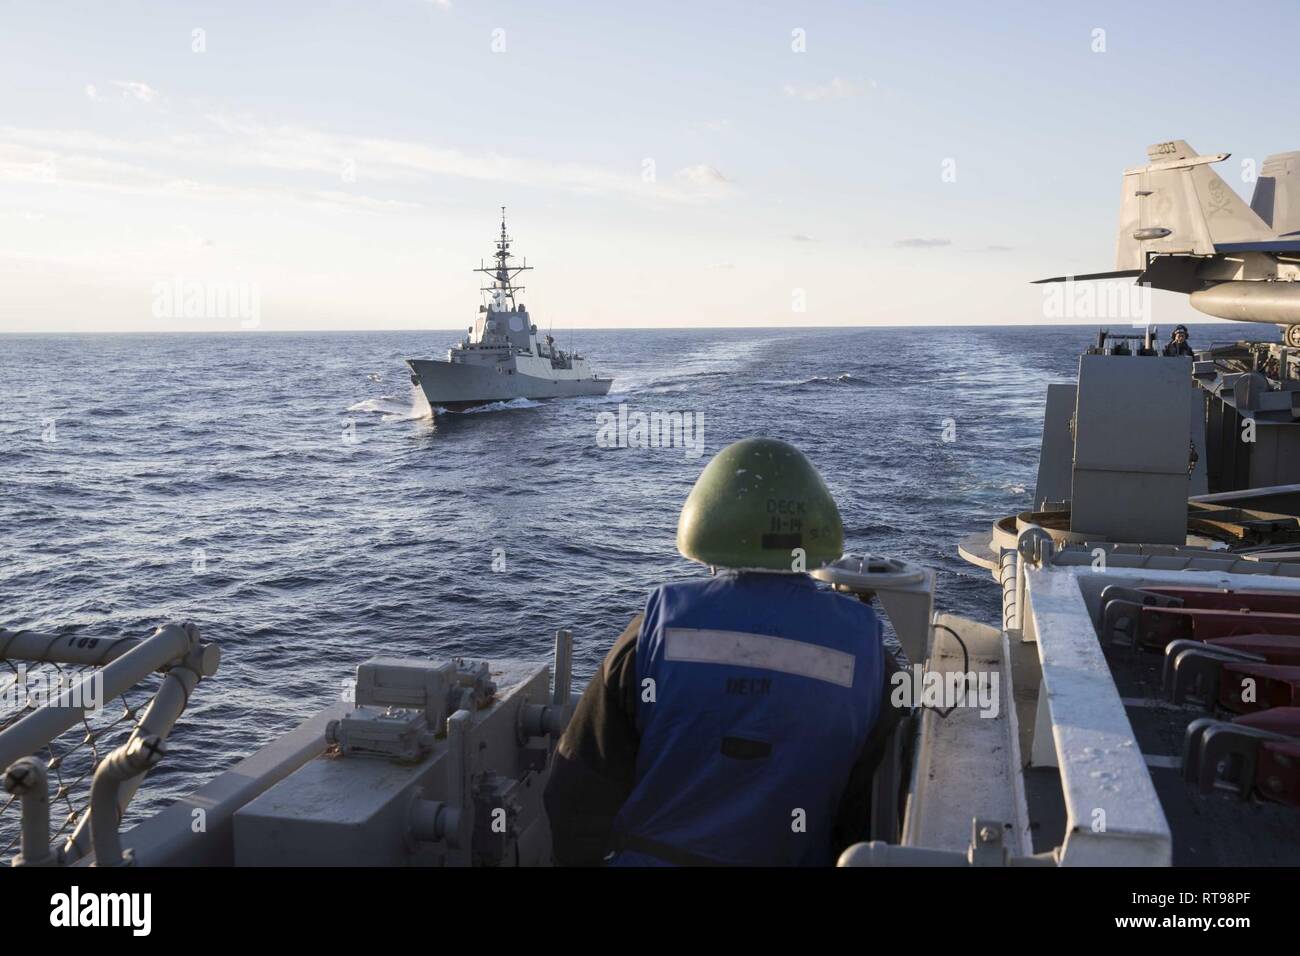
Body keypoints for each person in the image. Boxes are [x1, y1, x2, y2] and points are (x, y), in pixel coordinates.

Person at [543, 437, 901, 866]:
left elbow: (574, 792)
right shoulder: (868, 661)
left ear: (706, 532)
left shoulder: (650, 637)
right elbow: (869, 816)